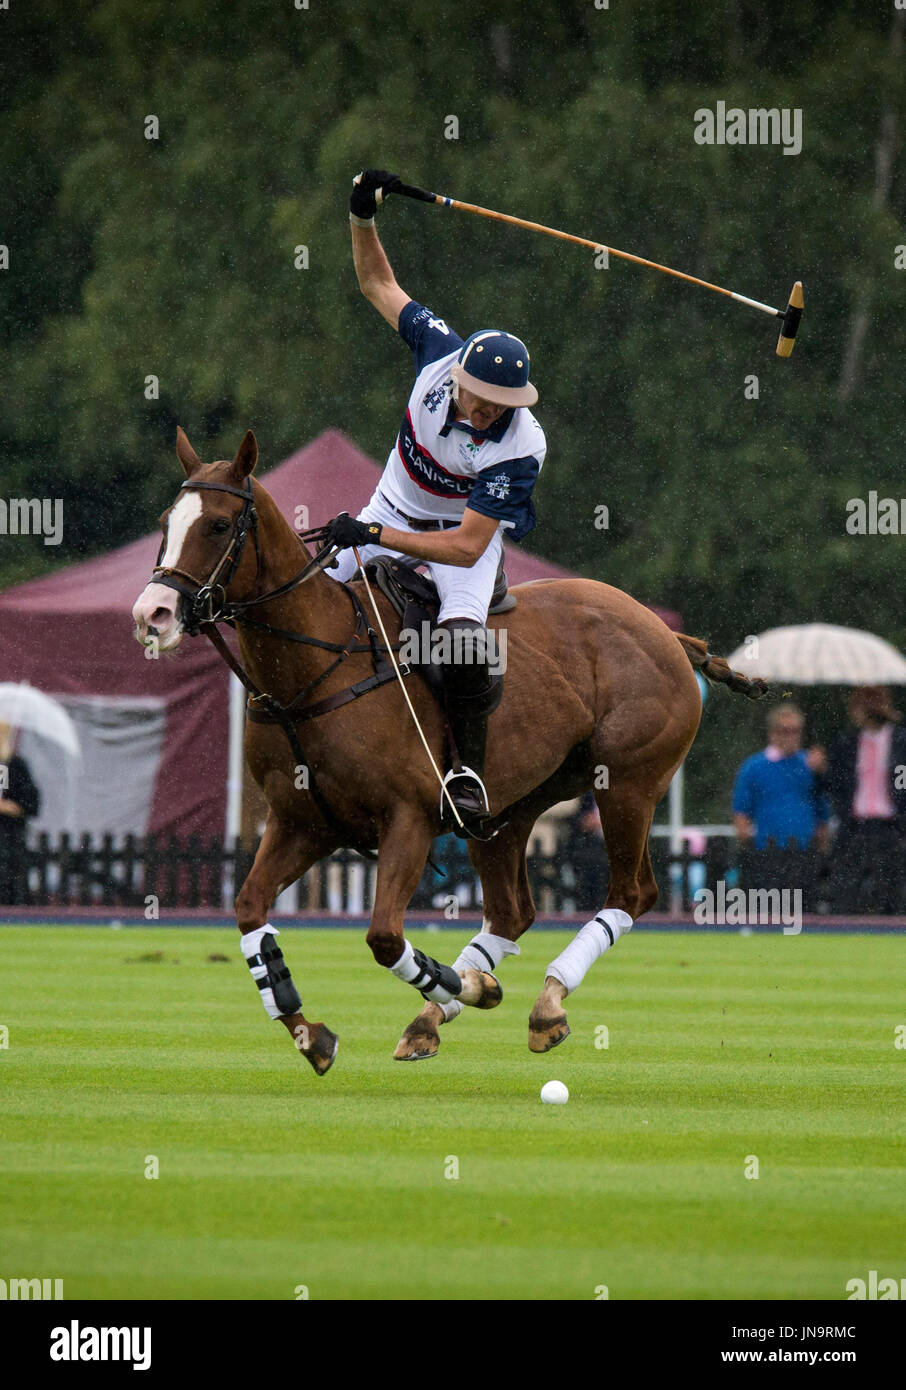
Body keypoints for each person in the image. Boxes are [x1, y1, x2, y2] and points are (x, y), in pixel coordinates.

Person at [322, 169, 547, 837]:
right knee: (308, 600)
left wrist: (374, 537)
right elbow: (378, 285)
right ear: (459, 375)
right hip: (388, 508)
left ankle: (466, 772)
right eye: (478, 397)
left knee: (462, 649)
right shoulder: (437, 351)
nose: (484, 412)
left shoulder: (520, 446)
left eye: (499, 406)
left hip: (456, 541)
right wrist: (363, 215)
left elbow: (466, 547)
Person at [732, 703, 830, 906]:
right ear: (772, 733)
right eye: (785, 731)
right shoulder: (754, 767)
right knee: (768, 911)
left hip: (804, 854)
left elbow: (823, 811)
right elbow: (741, 812)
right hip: (767, 853)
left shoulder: (810, 765)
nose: (791, 736)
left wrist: (822, 846)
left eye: (795, 731)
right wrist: (745, 845)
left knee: (805, 911)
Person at [824, 686, 906, 914]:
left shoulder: (901, 742)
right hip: (854, 828)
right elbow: (836, 785)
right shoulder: (846, 743)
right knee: (846, 892)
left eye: (858, 705)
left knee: (891, 894)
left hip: (891, 828)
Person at [0, 722, 41, 904]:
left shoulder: (15, 766)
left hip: (9, 838)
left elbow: (30, 803)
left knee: (9, 880)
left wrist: (9, 806)